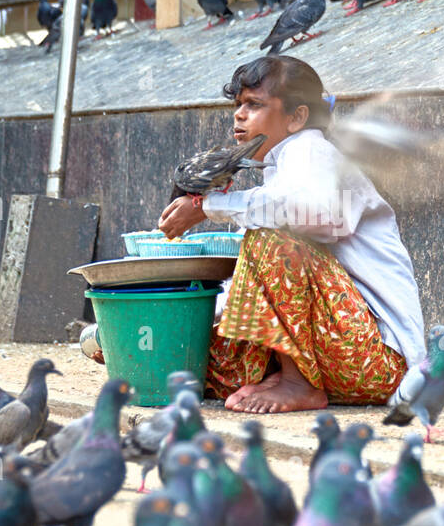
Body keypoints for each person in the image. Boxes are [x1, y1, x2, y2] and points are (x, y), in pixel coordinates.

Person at [158, 55, 425, 414]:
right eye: (238, 105)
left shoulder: (311, 148)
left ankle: (297, 383)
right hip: (338, 357)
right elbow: (258, 282)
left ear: (297, 117)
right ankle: (286, 377)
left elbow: (312, 212)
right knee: (200, 359)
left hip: (377, 361)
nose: (239, 114)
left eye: (254, 104)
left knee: (273, 237)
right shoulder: (282, 166)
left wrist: (207, 208)